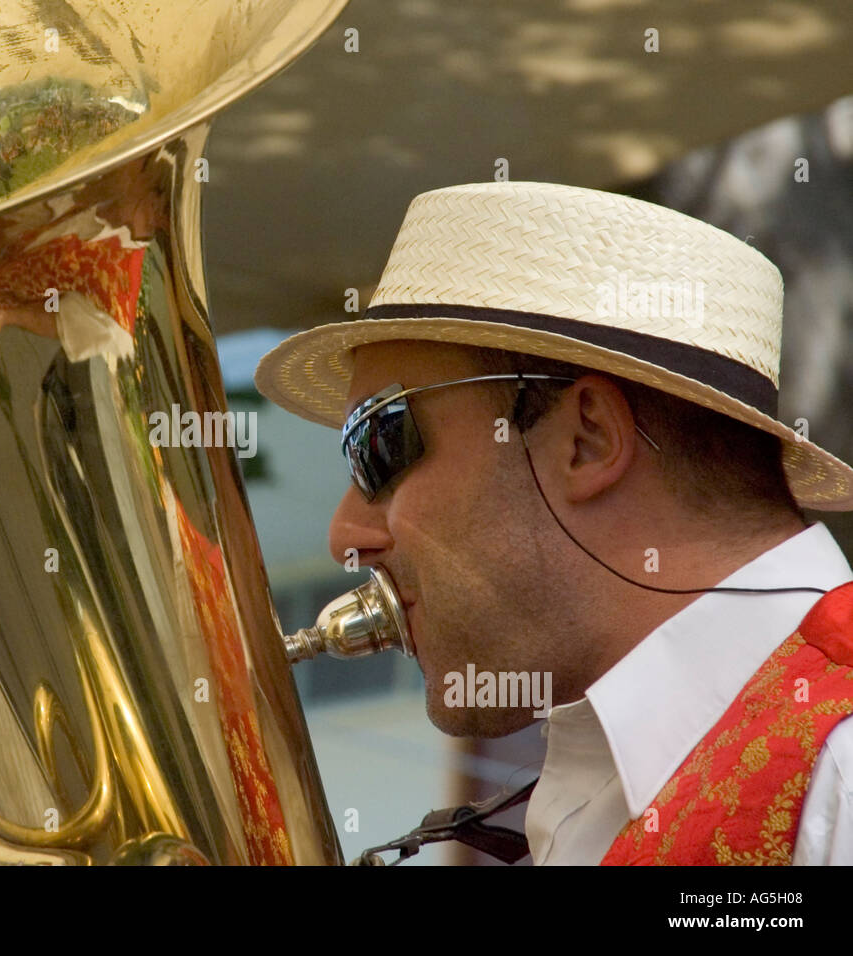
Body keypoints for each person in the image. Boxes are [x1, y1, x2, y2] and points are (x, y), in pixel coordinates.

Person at [254, 181, 853, 865]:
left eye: (378, 443)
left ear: (586, 439)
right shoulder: (603, 786)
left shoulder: (840, 766)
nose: (344, 533)